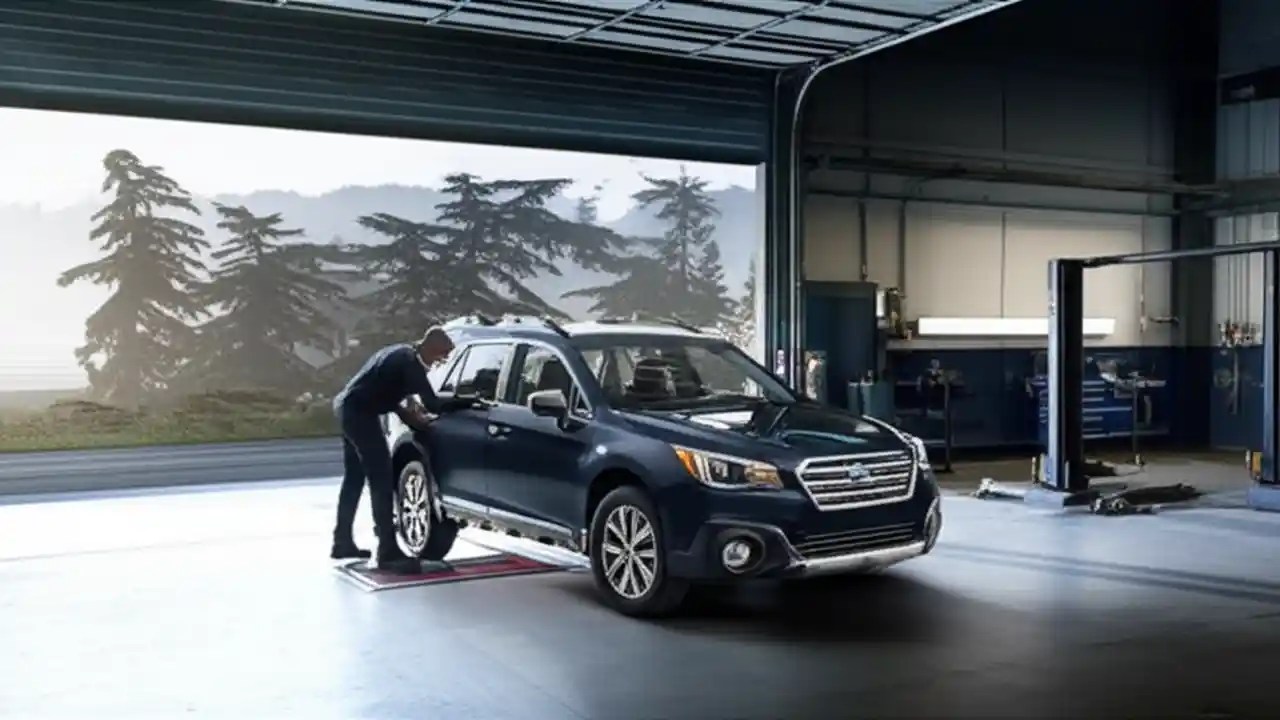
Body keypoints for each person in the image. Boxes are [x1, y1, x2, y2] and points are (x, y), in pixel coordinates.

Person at [330, 326, 475, 573]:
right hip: (360, 414)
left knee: (354, 478)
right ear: (430, 346)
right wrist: (468, 400)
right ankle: (388, 551)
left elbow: (381, 387)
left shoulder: (399, 353)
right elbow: (434, 404)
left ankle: (342, 541)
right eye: (441, 355)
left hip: (348, 407)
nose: (441, 361)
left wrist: (404, 412)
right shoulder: (411, 364)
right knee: (382, 478)